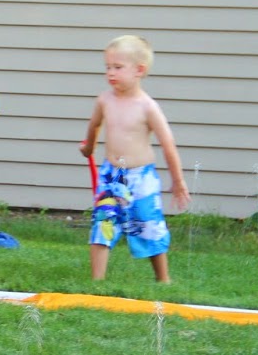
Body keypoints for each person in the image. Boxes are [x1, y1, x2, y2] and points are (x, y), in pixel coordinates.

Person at [79, 35, 189, 284]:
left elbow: (168, 145)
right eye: (107, 67)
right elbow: (94, 126)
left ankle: (163, 279)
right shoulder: (104, 100)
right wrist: (89, 148)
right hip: (111, 175)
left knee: (148, 224)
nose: (111, 73)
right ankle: (97, 281)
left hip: (141, 178)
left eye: (118, 67)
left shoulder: (147, 107)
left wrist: (178, 181)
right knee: (103, 221)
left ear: (139, 70)